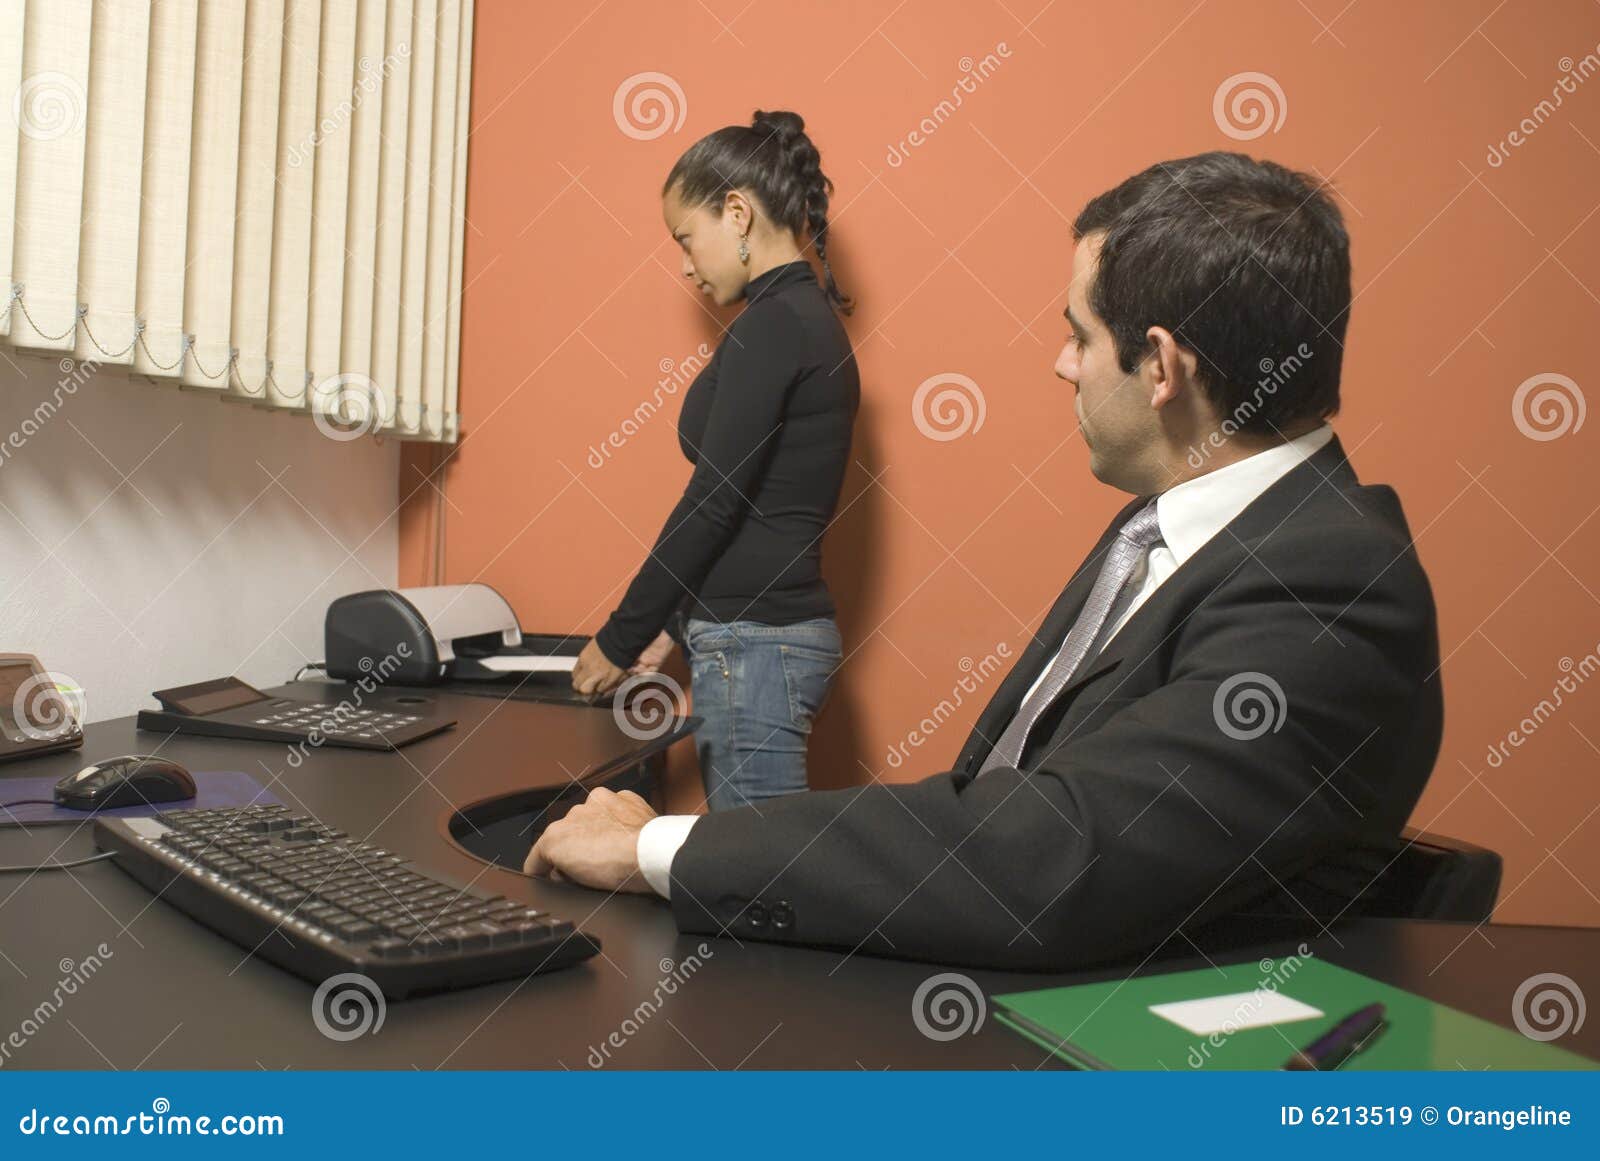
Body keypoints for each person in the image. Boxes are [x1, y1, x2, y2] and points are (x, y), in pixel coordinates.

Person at [528, 152, 1444, 972]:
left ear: (1161, 367)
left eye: (1080, 335)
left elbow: (1049, 853)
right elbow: (1009, 808)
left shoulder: (1335, 587)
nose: (1062, 364)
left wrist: (664, 848)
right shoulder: (1168, 527)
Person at [569, 110, 860, 812]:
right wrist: (670, 632)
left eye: (686, 238)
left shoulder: (776, 325)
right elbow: (758, 505)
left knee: (756, 888)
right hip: (753, 640)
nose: (686, 264)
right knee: (754, 875)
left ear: (736, 212)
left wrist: (621, 634)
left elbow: (717, 497)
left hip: (755, 645)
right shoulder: (790, 320)